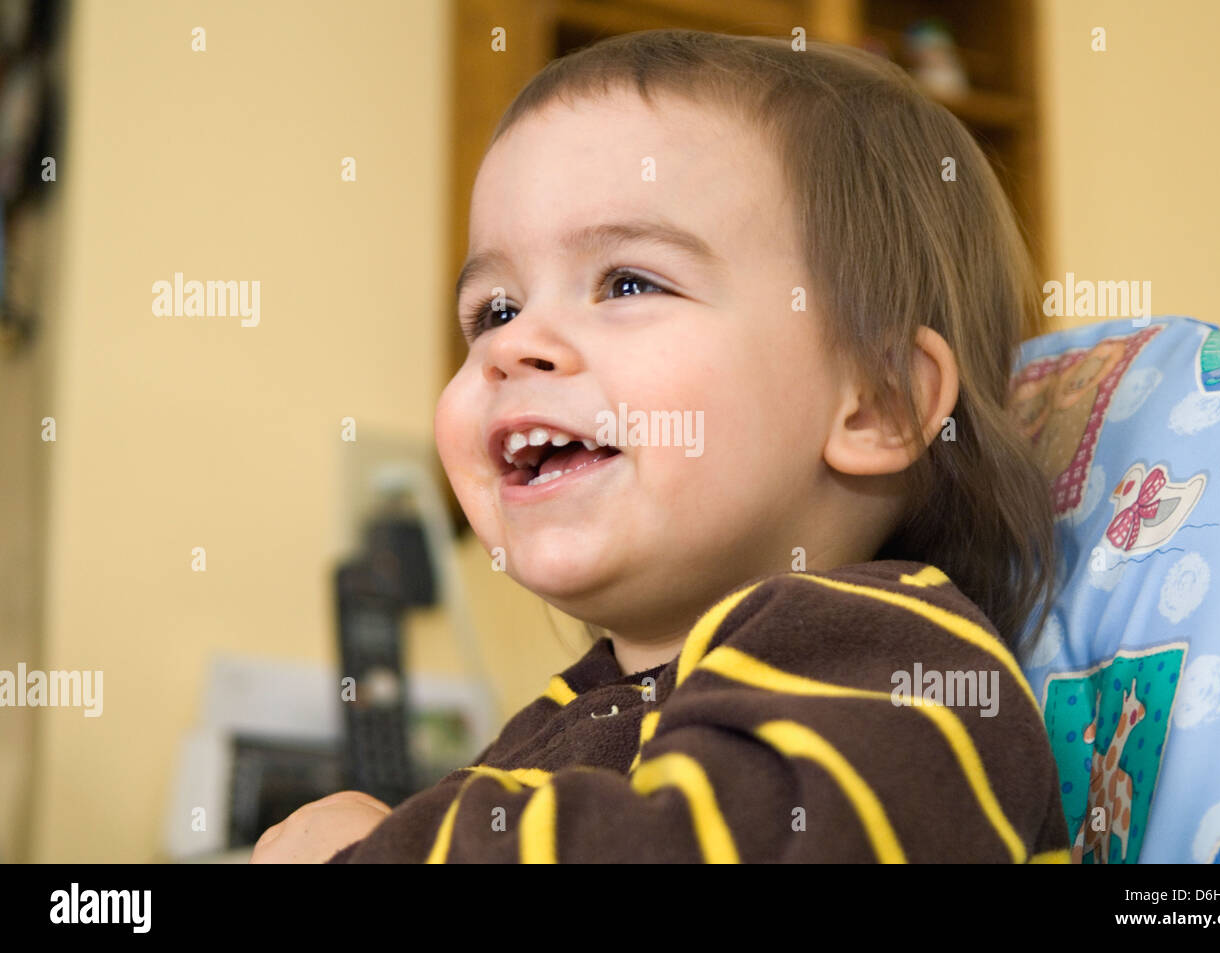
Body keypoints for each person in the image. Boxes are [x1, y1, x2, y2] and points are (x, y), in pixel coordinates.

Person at [252, 28, 1066, 864]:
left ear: (878, 405)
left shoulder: (899, 661)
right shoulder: (567, 720)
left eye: (628, 282)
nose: (512, 344)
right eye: (494, 309)